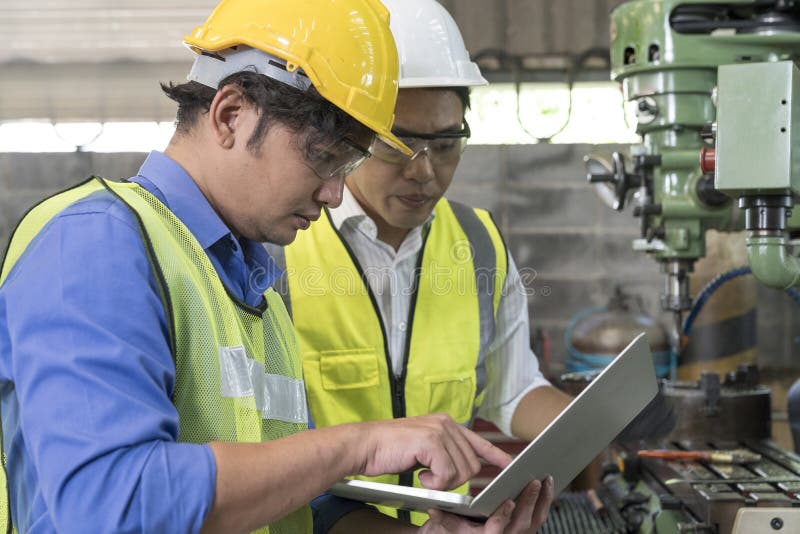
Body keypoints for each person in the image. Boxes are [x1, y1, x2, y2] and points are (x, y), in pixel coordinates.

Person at [0, 1, 546, 532]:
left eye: (349, 164)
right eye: (324, 157)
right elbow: (114, 504)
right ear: (231, 115)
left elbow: (301, 505)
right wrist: (363, 442)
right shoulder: (95, 242)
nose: (335, 194)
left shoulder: (252, 289)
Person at [274, 0, 571, 530]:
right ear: (351, 131)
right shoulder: (281, 242)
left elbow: (513, 389)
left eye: (445, 143)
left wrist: (595, 425)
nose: (424, 170)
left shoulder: (479, 243)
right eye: (397, 143)